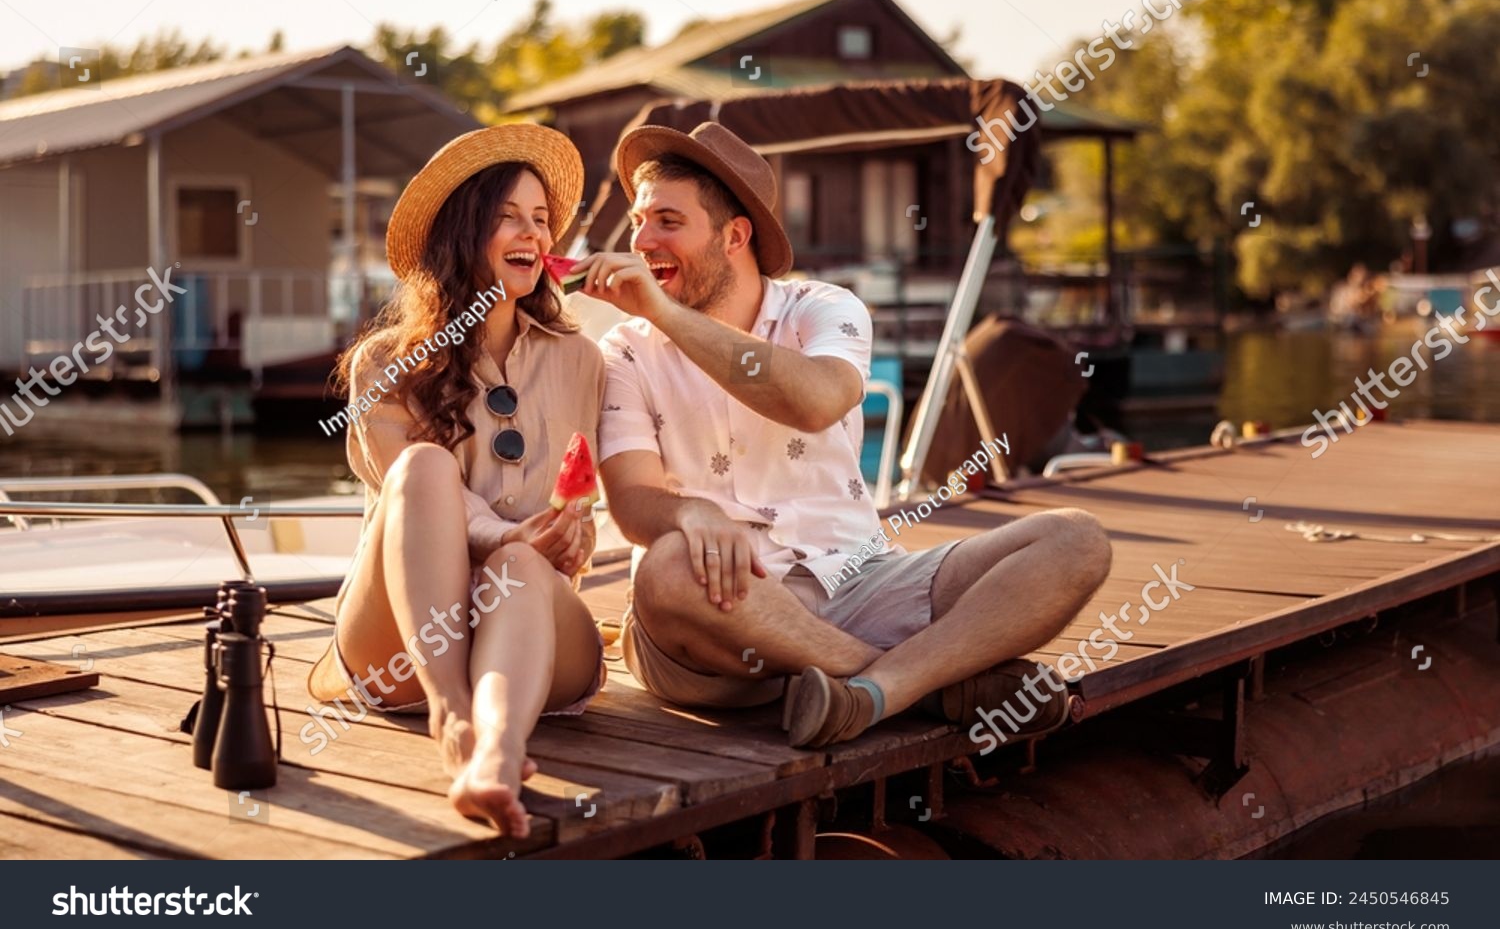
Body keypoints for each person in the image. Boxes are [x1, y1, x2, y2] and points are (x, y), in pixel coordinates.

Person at [576, 122, 1112, 748]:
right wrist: (691, 513)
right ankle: (907, 685)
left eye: (667, 221)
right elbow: (635, 505)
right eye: (639, 221)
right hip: (718, 615)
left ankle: (861, 691)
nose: (641, 241)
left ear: (734, 236)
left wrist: (665, 313)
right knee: (664, 566)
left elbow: (816, 403)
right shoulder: (623, 351)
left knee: (1076, 540)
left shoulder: (823, 308)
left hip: (857, 579)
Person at [307, 124, 606, 835]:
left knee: (521, 565)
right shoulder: (386, 361)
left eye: (541, 219)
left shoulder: (582, 360)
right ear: (461, 234)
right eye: (507, 216)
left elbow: (586, 507)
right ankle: (454, 719)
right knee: (424, 465)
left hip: (535, 641)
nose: (530, 232)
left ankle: (497, 759)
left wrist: (571, 534)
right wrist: (509, 532)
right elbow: (410, 491)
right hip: (403, 653)